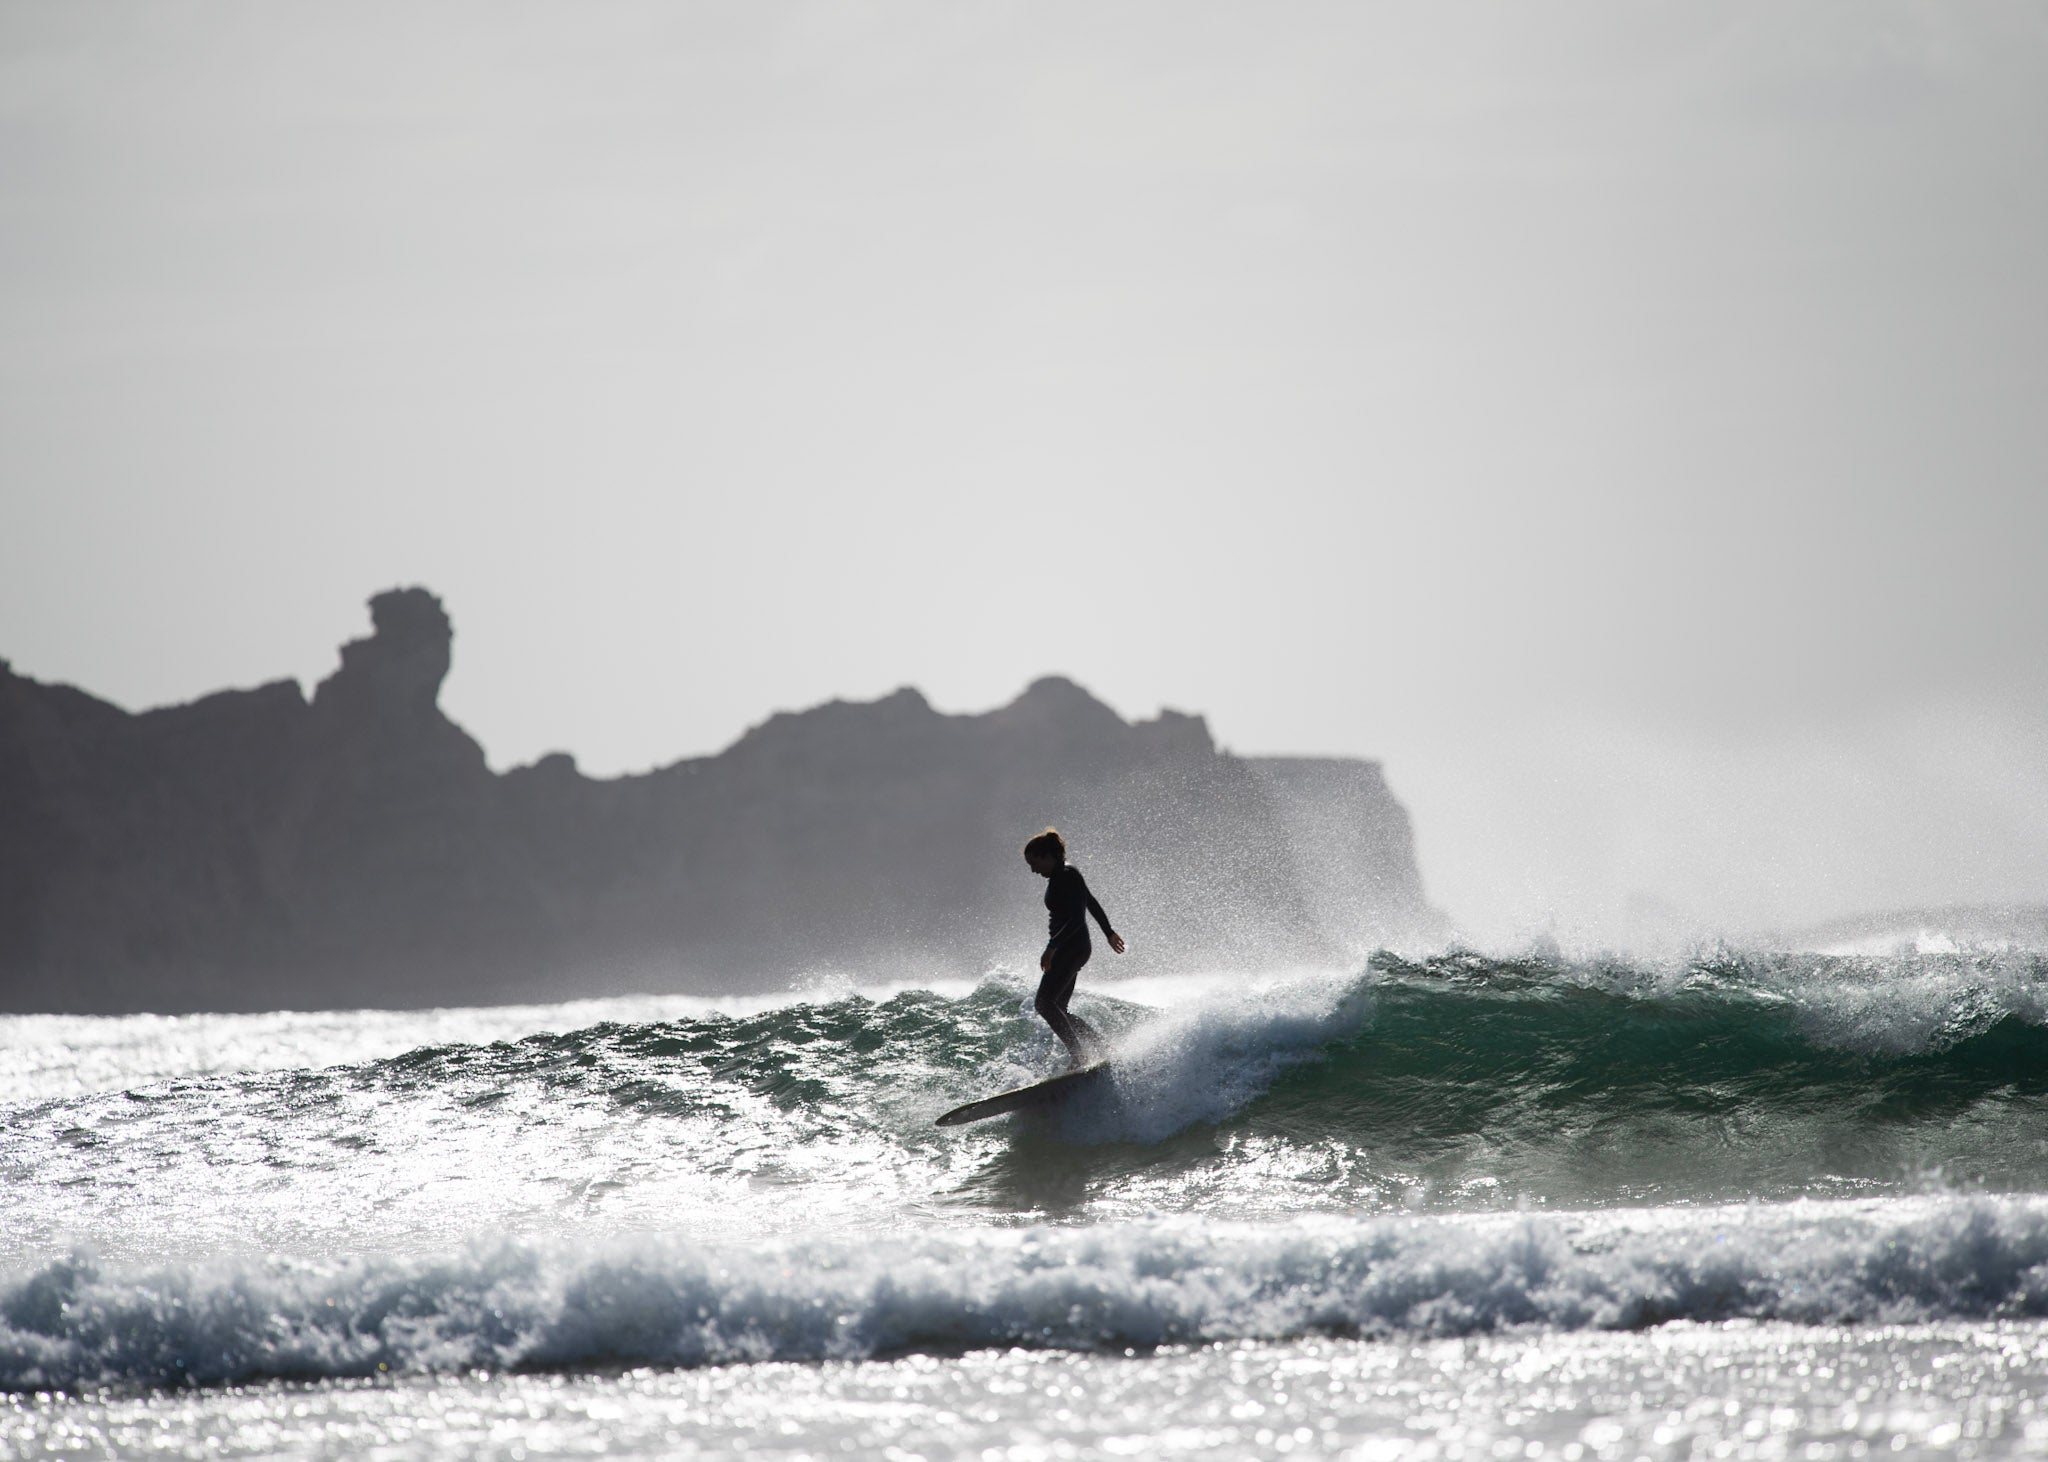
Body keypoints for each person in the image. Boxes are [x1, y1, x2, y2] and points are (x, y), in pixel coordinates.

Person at [1023, 827, 1125, 1067]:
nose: (1033, 869)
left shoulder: (1065, 877)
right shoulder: (1068, 874)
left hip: (1070, 948)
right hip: (1075, 947)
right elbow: (1090, 903)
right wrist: (1108, 932)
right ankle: (1103, 1048)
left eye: (1034, 862)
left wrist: (1051, 947)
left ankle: (1079, 1056)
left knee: (1044, 1003)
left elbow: (1076, 918)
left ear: (1048, 856)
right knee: (1058, 1007)